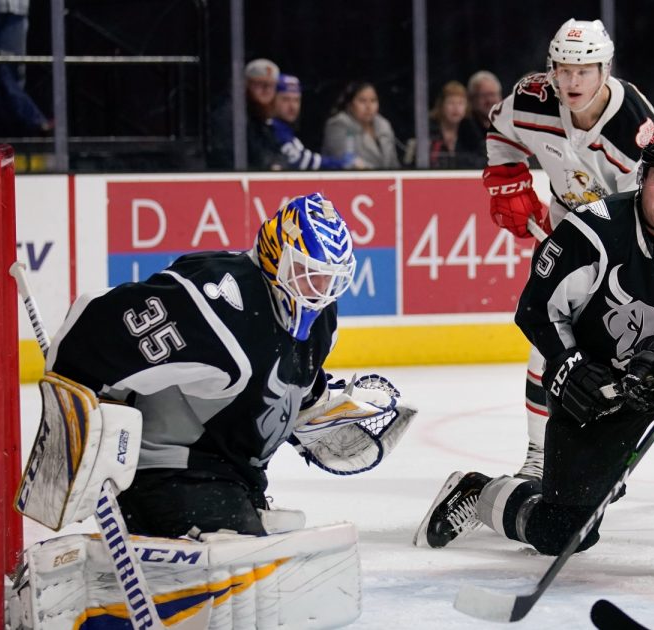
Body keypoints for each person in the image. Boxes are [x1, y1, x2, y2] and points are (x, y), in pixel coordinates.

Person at [415, 130, 654, 555]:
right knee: (565, 534)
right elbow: (537, 310)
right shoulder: (591, 231)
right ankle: (479, 492)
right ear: (642, 177)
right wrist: (570, 364)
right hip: (597, 389)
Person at [41, 193, 413, 537]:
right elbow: (89, 333)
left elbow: (292, 391)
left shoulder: (321, 321)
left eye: (331, 278)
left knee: (274, 567)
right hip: (165, 473)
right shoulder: (217, 301)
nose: (319, 289)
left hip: (233, 479)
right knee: (254, 571)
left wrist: (330, 414)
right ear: (275, 255)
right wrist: (77, 432)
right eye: (309, 272)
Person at [481, 18, 654, 503]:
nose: (571, 82)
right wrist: (508, 175)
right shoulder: (531, 98)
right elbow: (499, 129)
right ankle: (540, 452)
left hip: (633, 238)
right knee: (551, 342)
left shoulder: (633, 127)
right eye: (563, 70)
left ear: (605, 69)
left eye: (584, 71)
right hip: (570, 234)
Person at [271, 74, 358, 170]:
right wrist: (341, 164)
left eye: (296, 100)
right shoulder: (272, 128)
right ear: (272, 100)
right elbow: (302, 161)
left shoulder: (285, 129)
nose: (292, 106)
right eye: (285, 99)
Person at [0, 0, 50, 135]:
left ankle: (20, 127)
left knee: (15, 71)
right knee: (1, 70)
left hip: (18, 7)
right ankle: (31, 117)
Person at [322, 81, 401, 169]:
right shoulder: (337, 125)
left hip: (389, 181)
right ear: (350, 104)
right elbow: (345, 163)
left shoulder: (384, 125)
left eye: (373, 100)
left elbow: (394, 164)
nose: (368, 106)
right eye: (362, 101)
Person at [429, 80, 485, 168]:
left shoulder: (471, 132)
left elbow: (481, 161)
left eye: (461, 103)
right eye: (451, 103)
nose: (456, 108)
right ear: (441, 106)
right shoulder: (429, 132)